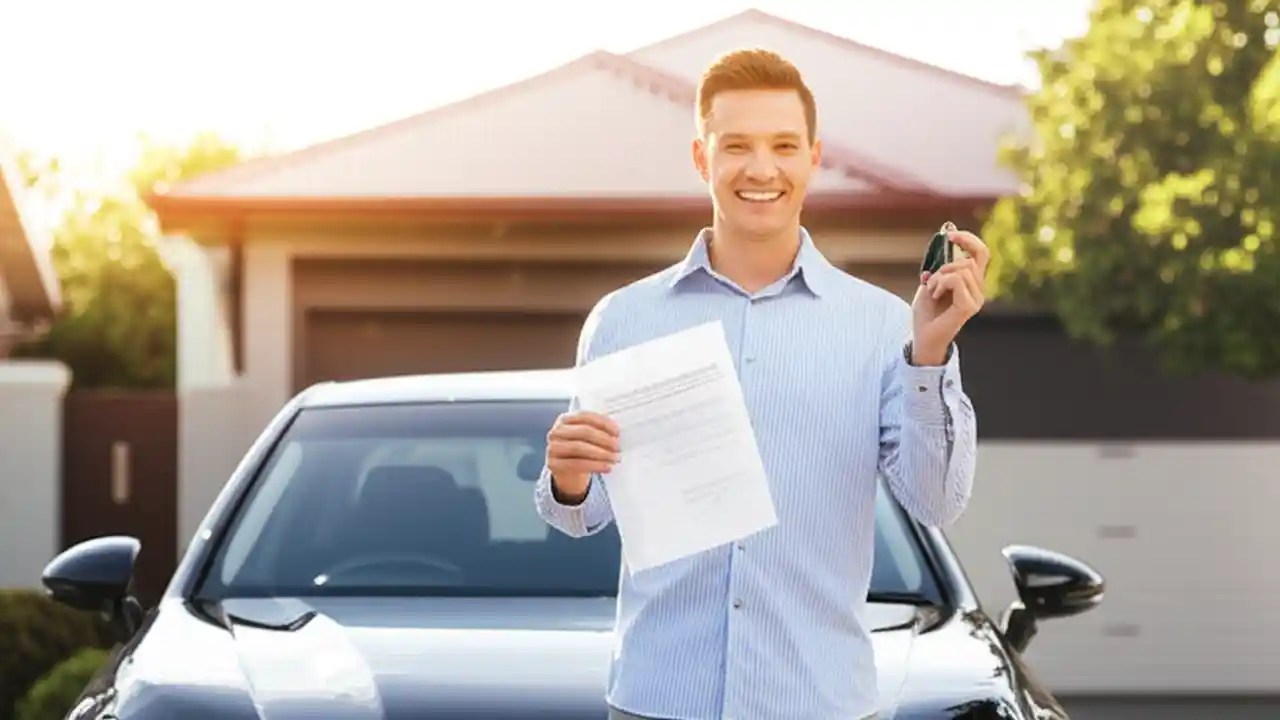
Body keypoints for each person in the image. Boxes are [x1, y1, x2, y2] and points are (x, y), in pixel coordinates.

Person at [534, 47, 985, 720]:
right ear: (701, 158)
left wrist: (930, 352)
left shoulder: (882, 328)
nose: (762, 168)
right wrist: (567, 477)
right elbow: (582, 513)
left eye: (783, 145)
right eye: (736, 145)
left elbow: (936, 502)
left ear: (813, 157)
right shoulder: (623, 320)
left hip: (818, 700)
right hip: (659, 700)